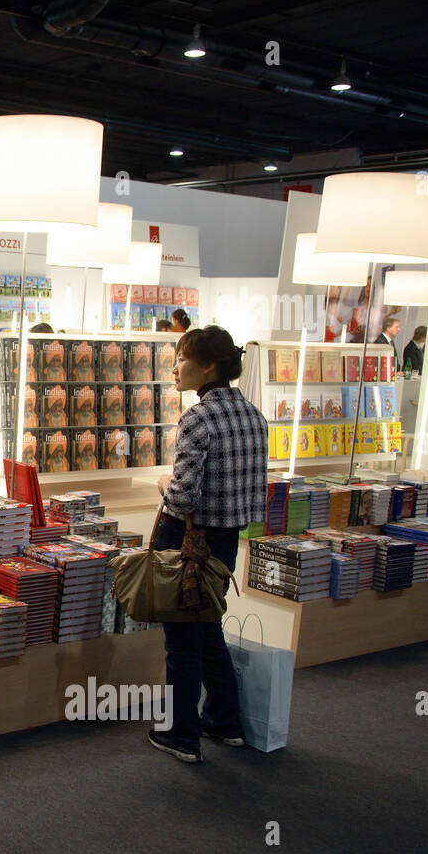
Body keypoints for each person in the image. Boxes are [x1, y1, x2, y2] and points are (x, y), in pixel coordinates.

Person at [150, 324, 268, 764]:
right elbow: (256, 492)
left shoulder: (198, 417)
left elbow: (181, 497)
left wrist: (163, 482)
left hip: (187, 543)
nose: (175, 367)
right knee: (209, 626)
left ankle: (181, 734)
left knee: (182, 637)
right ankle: (225, 722)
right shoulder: (254, 414)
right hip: (225, 542)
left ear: (209, 366)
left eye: (182, 358)